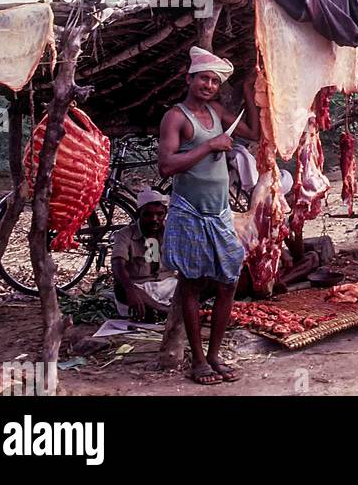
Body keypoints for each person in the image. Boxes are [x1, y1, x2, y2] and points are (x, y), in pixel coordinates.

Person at [158, 46, 257, 385]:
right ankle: (198, 360)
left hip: (219, 214)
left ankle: (215, 354)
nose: (209, 85)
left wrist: (247, 92)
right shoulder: (176, 117)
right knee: (191, 285)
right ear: (189, 79)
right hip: (189, 212)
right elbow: (167, 165)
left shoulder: (216, 111)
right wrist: (208, 147)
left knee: (229, 280)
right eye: (204, 79)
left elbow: (254, 134)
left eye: (215, 81)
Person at [110, 189, 177, 322]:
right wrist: (130, 290)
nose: (154, 219)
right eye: (148, 214)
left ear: (165, 214)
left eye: (159, 214)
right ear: (138, 213)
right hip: (140, 290)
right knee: (120, 287)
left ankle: (159, 311)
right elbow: (117, 264)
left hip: (168, 286)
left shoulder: (172, 232)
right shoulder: (124, 234)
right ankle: (165, 311)